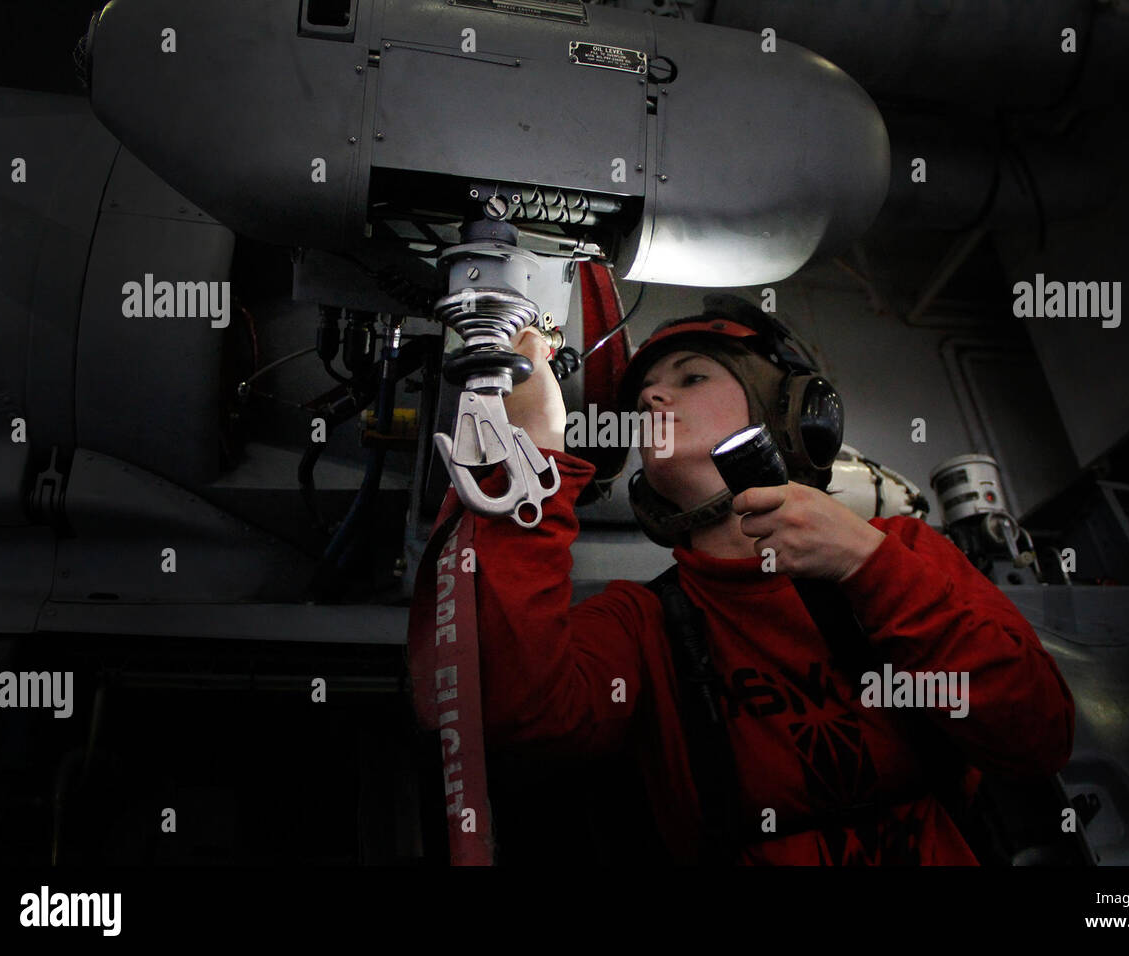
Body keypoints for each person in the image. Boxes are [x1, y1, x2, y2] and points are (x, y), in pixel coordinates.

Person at [421, 295, 1075, 865]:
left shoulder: (901, 552)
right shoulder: (638, 624)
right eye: (645, 389)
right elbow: (516, 718)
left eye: (693, 376)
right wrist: (534, 455)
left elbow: (1036, 735)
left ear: (784, 408)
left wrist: (868, 567)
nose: (652, 396)